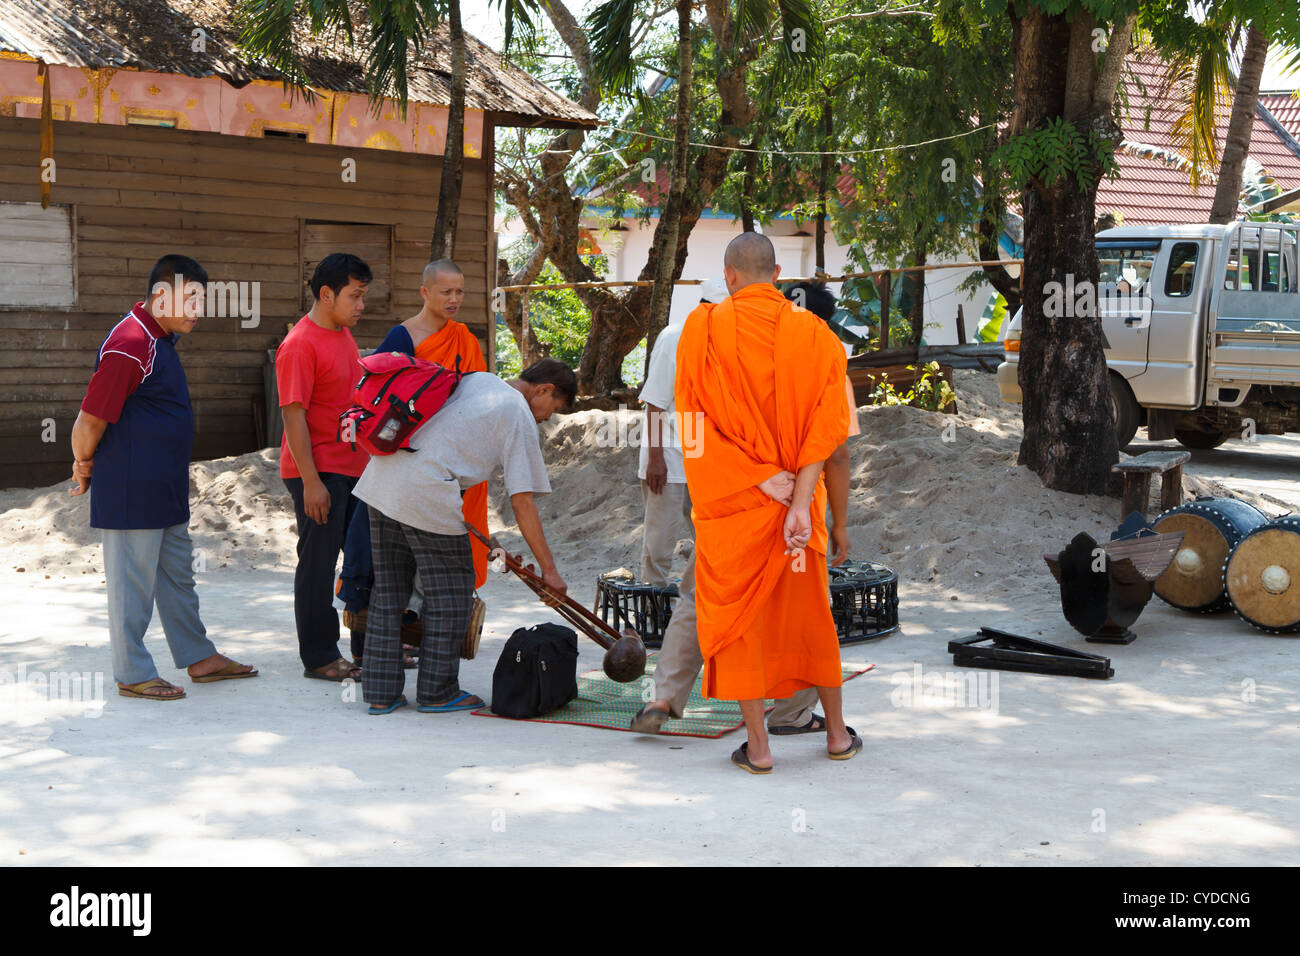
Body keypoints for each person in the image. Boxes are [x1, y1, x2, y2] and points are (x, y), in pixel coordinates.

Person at [630, 280, 857, 739]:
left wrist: (739, 476)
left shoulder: (695, 337)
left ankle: (669, 696)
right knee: (802, 612)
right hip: (794, 505)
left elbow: (692, 425)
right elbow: (834, 451)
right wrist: (836, 521)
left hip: (725, 497)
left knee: (702, 594)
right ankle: (796, 716)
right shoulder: (820, 350)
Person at [674, 233, 859, 773]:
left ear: (729, 276)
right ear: (776, 273)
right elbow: (827, 436)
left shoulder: (701, 329)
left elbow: (693, 429)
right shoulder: (818, 336)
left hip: (735, 508)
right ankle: (837, 737)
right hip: (798, 513)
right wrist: (800, 502)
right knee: (811, 618)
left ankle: (758, 749)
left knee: (740, 622)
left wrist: (757, 481)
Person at [70, 255, 257, 700]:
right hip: (133, 486)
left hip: (164, 486)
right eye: (189, 300)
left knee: (177, 576)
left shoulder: (161, 338)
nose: (197, 310)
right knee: (132, 584)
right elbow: (90, 418)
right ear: (160, 296)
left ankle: (199, 655)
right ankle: (132, 672)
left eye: (201, 301)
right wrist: (82, 464)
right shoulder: (131, 343)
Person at [353, 359, 576, 716]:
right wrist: (550, 571)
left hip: (382, 480)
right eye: (555, 408)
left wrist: (495, 544)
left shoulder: (480, 381)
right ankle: (437, 692)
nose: (548, 417)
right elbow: (523, 502)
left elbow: (448, 450)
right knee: (451, 593)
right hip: (426, 491)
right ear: (545, 389)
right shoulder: (517, 412)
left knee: (389, 591)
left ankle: (380, 694)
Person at [338, 259, 489, 667]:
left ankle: (413, 638)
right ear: (425, 292)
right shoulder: (402, 337)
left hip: (446, 465)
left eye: (460, 291)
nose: (455, 299)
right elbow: (376, 399)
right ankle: (365, 648)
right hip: (402, 459)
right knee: (379, 556)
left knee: (428, 561)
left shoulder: (466, 340)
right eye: (446, 292)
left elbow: (476, 400)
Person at [277, 253, 372, 682]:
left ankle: (369, 647)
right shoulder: (299, 344)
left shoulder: (343, 333)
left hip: (355, 467)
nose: (360, 305)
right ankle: (319, 656)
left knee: (362, 561)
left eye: (363, 296)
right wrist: (312, 482)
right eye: (355, 296)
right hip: (317, 472)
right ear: (326, 293)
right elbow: (293, 416)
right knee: (317, 563)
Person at [636, 278, 727, 585]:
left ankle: (694, 603)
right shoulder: (675, 337)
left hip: (706, 459)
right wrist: (656, 459)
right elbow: (655, 403)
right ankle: (653, 605)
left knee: (712, 539)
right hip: (669, 458)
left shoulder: (723, 337)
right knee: (659, 542)